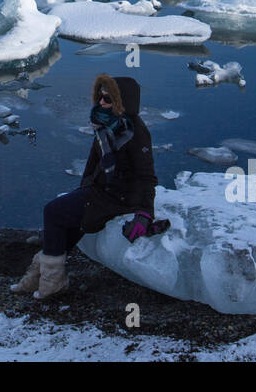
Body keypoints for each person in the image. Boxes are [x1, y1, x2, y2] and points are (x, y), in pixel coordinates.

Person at [11, 73, 166, 300]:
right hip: (101, 191)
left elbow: (147, 177)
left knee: (52, 211)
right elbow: (93, 164)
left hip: (119, 198)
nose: (100, 103)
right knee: (68, 220)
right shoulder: (106, 125)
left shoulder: (137, 133)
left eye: (107, 99)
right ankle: (39, 275)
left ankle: (52, 281)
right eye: (100, 97)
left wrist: (145, 213)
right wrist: (83, 190)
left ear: (123, 102)